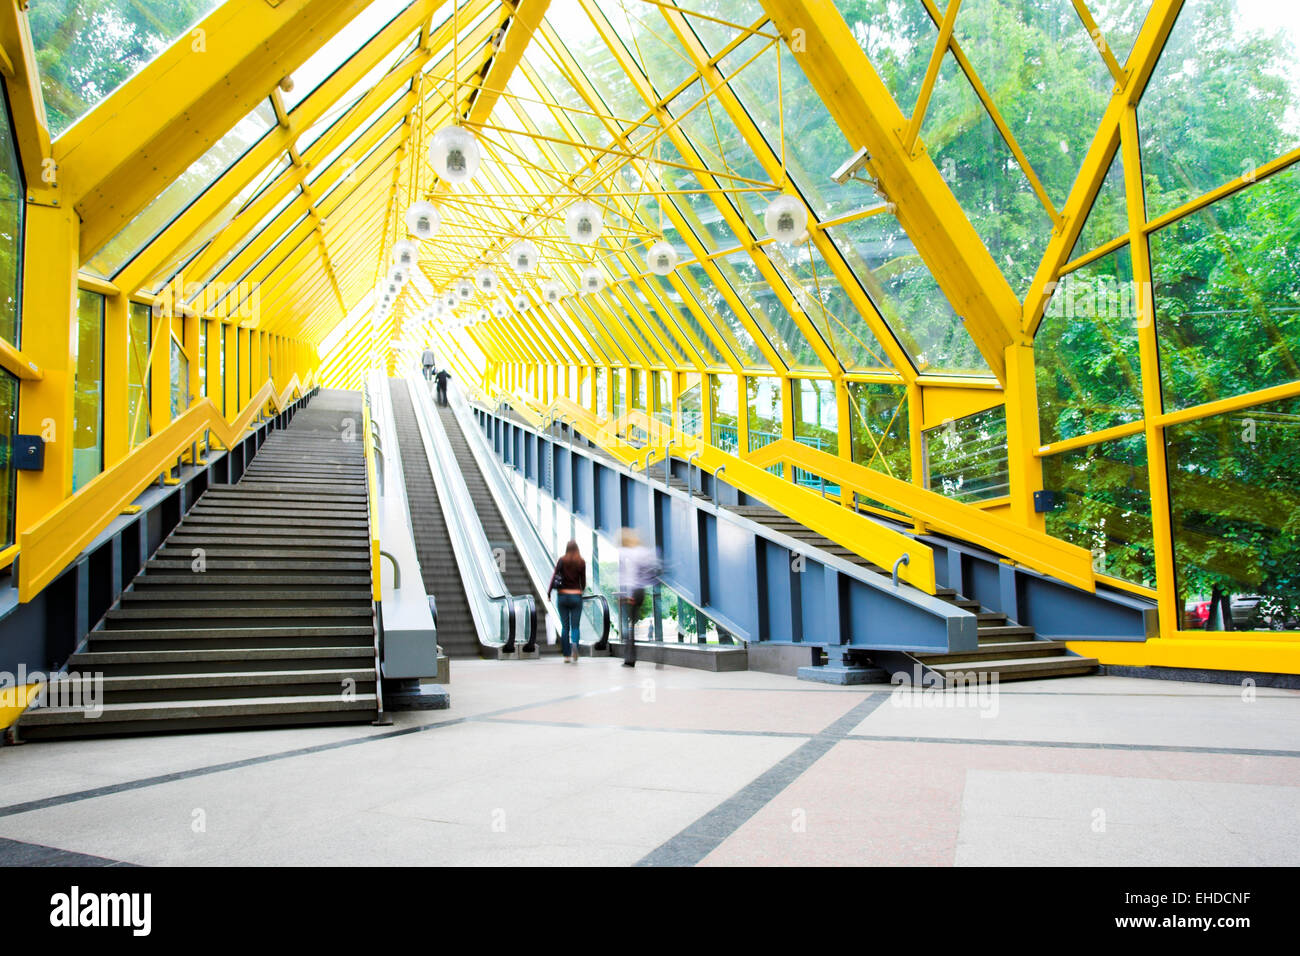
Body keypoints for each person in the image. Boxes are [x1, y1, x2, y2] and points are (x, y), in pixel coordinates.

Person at [617, 528, 660, 668]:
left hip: (634, 592)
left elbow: (627, 575)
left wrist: (627, 596)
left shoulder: (626, 552)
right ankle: (654, 656)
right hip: (641, 591)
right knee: (632, 627)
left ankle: (629, 659)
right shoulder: (642, 551)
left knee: (630, 629)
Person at [548, 540, 587, 663]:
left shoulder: (562, 560)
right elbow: (583, 581)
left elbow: (554, 576)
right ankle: (574, 645)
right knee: (575, 626)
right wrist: (581, 590)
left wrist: (549, 593)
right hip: (576, 596)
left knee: (565, 627)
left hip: (563, 596)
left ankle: (566, 655)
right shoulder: (581, 562)